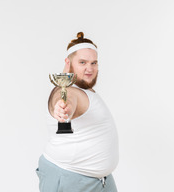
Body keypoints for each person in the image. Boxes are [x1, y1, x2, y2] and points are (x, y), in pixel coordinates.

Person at [36, 32, 119, 192]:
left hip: (100, 181)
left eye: (94, 63)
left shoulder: (84, 90)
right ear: (68, 63)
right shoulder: (70, 91)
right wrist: (62, 107)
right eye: (83, 62)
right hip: (71, 178)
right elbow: (66, 99)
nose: (90, 68)